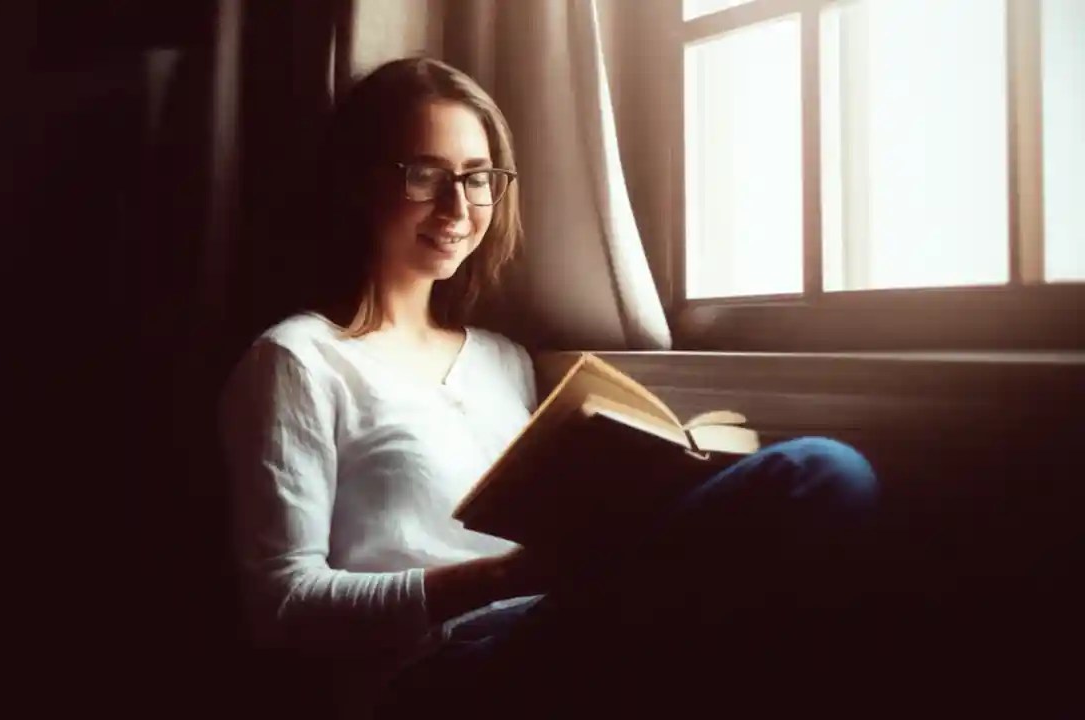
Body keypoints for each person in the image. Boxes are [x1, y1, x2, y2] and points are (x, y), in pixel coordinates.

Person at [221, 57, 879, 718]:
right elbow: (282, 607)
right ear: (359, 185)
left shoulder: (504, 360)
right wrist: (501, 578)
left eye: (478, 179)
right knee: (815, 472)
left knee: (825, 484)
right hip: (434, 667)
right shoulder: (298, 359)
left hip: (551, 622)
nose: (457, 207)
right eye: (424, 175)